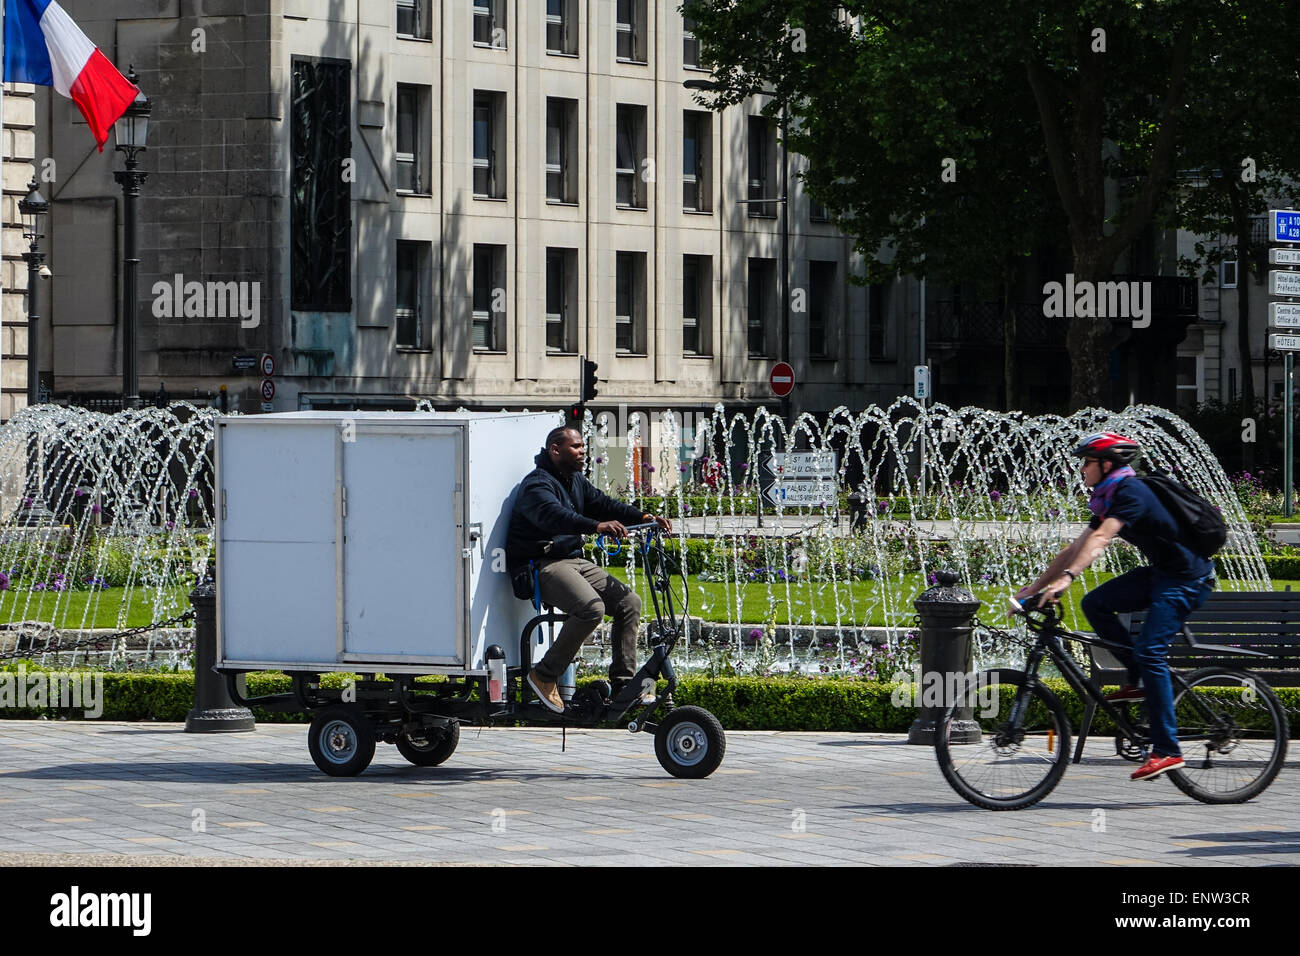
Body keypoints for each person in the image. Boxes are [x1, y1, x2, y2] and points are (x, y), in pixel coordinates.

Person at [1015, 432, 1216, 782]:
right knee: (1096, 603)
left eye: (1087, 462)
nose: (1081, 469)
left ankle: (1168, 751)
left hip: (1188, 579)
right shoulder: (1110, 495)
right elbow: (1075, 548)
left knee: (1151, 652)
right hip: (1162, 575)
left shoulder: (1131, 493)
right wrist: (1034, 588)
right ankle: (1138, 679)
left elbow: (1102, 538)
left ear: (1107, 464)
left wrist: (1067, 579)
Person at [505, 425, 671, 713]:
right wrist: (595, 526)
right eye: (576, 447)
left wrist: (644, 517)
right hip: (540, 563)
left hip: (572, 560)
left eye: (583, 446)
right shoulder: (537, 485)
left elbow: (604, 504)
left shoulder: (575, 480)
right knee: (591, 608)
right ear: (555, 450)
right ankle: (544, 675)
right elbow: (555, 517)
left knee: (629, 602)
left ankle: (624, 685)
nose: (583, 451)